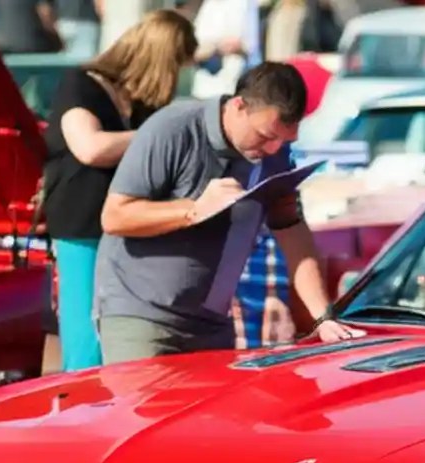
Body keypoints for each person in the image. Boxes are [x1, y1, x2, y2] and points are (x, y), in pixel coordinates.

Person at [95, 61, 359, 363]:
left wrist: (322, 318)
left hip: (212, 324)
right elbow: (114, 216)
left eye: (284, 141)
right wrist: (192, 211)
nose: (273, 149)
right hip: (143, 317)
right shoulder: (172, 128)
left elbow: (292, 231)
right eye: (264, 135)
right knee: (146, 411)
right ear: (238, 107)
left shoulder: (275, 152)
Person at [41, 9, 198, 372]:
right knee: (86, 338)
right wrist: (160, 132)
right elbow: (90, 147)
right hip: (81, 228)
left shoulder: (143, 104)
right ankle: (81, 415)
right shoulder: (81, 85)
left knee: (118, 334)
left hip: (129, 227)